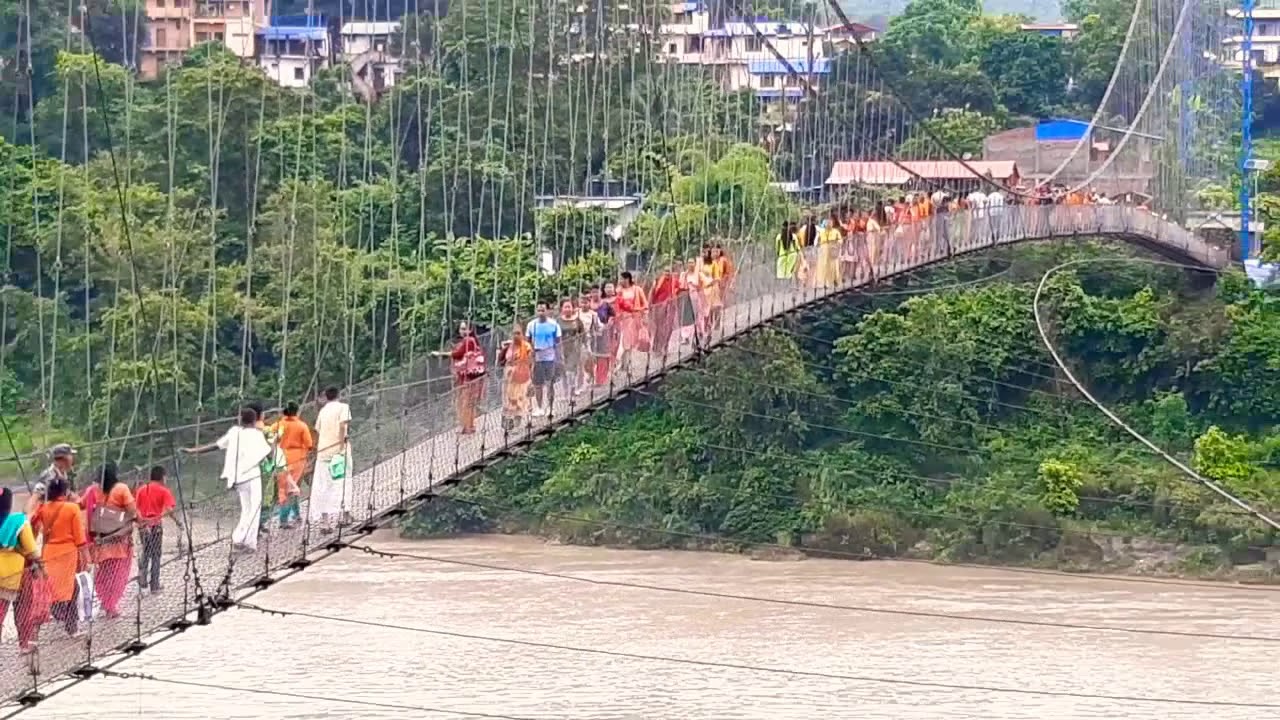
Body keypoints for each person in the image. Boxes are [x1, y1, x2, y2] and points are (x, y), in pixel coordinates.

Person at [184, 407, 272, 552]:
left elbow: (216, 446)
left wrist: (194, 451)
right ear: (255, 420)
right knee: (254, 509)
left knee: (246, 509)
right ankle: (247, 542)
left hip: (238, 479)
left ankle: (239, 538)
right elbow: (268, 453)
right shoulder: (257, 435)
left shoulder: (234, 433)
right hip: (252, 476)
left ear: (241, 419)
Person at [32, 478, 88, 638]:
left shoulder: (43, 508)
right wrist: (86, 558)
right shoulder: (72, 508)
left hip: (49, 553)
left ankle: (56, 613)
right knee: (72, 589)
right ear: (65, 491)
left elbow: (34, 527)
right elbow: (80, 536)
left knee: (52, 588)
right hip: (68, 554)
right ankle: (72, 626)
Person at [87, 462, 136, 618]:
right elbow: (133, 513)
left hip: (101, 542)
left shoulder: (97, 491)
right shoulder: (121, 488)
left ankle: (105, 602)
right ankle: (110, 608)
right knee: (118, 577)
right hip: (119, 543)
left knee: (104, 576)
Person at [0, 487, 40, 652]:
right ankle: (24, 645)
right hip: (15, 575)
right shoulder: (18, 521)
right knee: (23, 610)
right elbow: (32, 550)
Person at [310, 387, 353, 530]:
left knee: (323, 486)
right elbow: (343, 426)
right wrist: (341, 445)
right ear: (339, 395)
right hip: (340, 453)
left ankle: (325, 522)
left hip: (323, 453)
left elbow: (318, 430)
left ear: (326, 397)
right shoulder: (343, 407)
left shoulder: (323, 411)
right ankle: (345, 516)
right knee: (343, 482)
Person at [135, 466, 178, 596]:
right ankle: (154, 585)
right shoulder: (163, 491)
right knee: (156, 555)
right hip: (155, 527)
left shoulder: (141, 489)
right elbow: (170, 510)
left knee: (146, 552)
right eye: (165, 476)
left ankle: (142, 578)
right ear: (162, 477)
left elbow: (135, 508)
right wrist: (178, 522)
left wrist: (142, 521)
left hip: (143, 527)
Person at [272, 402, 314, 528]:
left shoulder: (279, 424)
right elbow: (309, 444)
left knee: (283, 488)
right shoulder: (301, 426)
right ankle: (284, 519)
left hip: (281, 459)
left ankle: (295, 514)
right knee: (292, 489)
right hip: (297, 460)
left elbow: (269, 435)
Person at [446, 321, 485, 435]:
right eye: (461, 329)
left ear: (471, 330)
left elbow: (457, 354)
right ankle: (468, 426)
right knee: (467, 402)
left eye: (465, 329)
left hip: (468, 378)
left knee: (465, 402)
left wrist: (439, 354)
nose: (463, 332)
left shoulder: (468, 341)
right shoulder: (471, 341)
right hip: (468, 377)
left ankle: (467, 427)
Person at [525, 303, 562, 418]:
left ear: (548, 311)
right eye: (539, 310)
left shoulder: (554, 324)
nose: (541, 312)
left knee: (549, 383)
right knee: (537, 384)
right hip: (537, 357)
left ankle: (550, 408)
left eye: (543, 310)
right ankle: (539, 407)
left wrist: (559, 356)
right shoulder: (531, 325)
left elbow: (558, 341)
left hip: (550, 357)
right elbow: (528, 341)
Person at [500, 323, 533, 427]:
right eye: (514, 334)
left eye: (518, 333)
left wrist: (531, 376)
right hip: (509, 377)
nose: (516, 336)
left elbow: (531, 361)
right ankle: (508, 421)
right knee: (508, 398)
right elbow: (502, 360)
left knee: (520, 398)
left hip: (522, 376)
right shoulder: (508, 346)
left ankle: (517, 422)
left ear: (522, 334)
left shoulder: (526, 347)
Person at [614, 271, 648, 373]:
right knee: (623, 342)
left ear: (628, 279)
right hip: (622, 319)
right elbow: (616, 305)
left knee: (629, 341)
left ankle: (626, 363)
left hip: (633, 319)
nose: (621, 281)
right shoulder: (619, 291)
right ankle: (623, 363)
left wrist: (642, 313)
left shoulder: (637, 290)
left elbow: (645, 304)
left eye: (623, 279)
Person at [648, 261, 682, 357]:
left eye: (669, 271)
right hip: (659, 307)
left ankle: (665, 347)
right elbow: (652, 293)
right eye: (666, 271)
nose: (667, 273)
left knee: (669, 328)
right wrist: (650, 305)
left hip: (670, 307)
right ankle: (657, 348)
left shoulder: (674, 281)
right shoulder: (658, 280)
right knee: (659, 328)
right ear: (663, 272)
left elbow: (680, 290)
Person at [557, 300, 585, 398]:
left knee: (571, 371)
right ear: (562, 309)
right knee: (564, 371)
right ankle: (565, 391)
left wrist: (582, 343)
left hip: (574, 348)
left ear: (573, 308)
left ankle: (572, 389)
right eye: (565, 307)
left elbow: (582, 332)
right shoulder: (558, 321)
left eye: (569, 307)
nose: (567, 309)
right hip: (562, 348)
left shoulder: (577, 320)